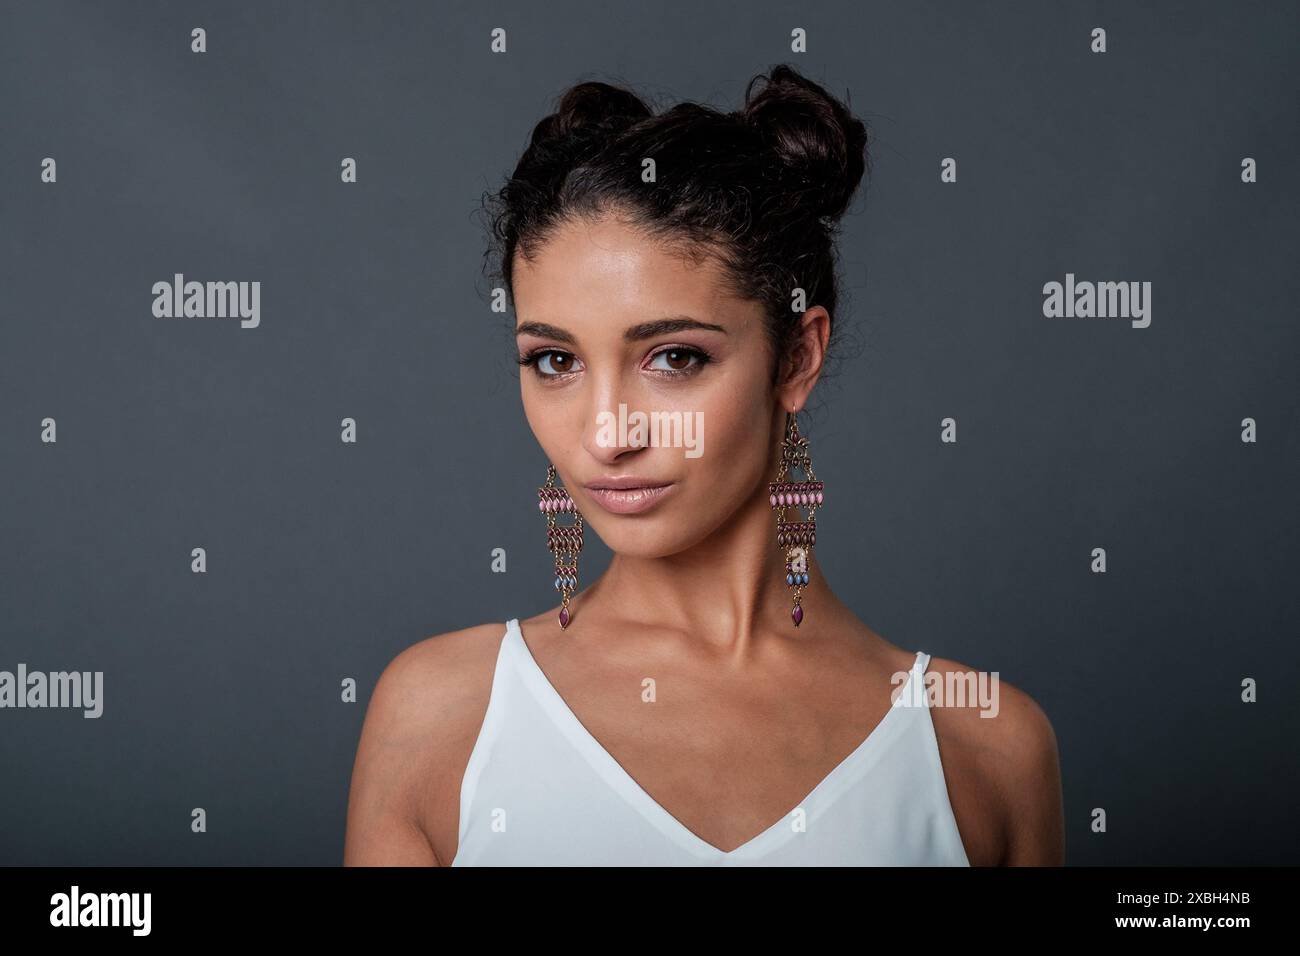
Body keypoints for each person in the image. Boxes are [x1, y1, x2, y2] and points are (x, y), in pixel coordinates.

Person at [344, 63, 1064, 866]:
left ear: (795, 357)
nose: (606, 434)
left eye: (674, 357)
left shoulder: (986, 746)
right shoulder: (443, 716)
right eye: (554, 362)